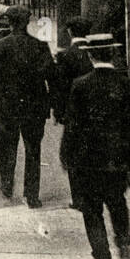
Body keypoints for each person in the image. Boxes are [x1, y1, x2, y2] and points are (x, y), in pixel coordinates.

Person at [61, 33, 130, 259]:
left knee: (91, 209)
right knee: (117, 202)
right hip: (117, 159)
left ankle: (102, 258)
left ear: (90, 55)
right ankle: (123, 246)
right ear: (113, 53)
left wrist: (66, 155)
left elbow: (73, 126)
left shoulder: (80, 85)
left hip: (87, 159)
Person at [0, 5, 58, 207]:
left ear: (9, 22)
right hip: (34, 106)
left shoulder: (0, 45)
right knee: (33, 150)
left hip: (6, 106)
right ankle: (32, 195)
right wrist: (56, 105)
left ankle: (6, 184)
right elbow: (53, 78)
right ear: (27, 22)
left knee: (6, 147)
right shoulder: (40, 45)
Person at [53, 16, 94, 210]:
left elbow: (61, 87)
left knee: (74, 154)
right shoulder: (95, 53)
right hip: (96, 112)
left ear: (70, 32)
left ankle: (78, 199)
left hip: (75, 114)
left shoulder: (67, 55)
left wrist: (58, 112)